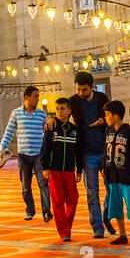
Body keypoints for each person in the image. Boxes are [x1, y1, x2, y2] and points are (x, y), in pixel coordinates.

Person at [45, 71, 113, 238]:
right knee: (92, 193)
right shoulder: (74, 101)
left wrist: (104, 121)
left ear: (92, 87)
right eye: (78, 89)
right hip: (86, 153)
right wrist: (51, 119)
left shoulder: (103, 99)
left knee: (112, 189)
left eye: (84, 90)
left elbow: (113, 117)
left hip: (105, 151)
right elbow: (62, 113)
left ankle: (106, 216)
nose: (81, 93)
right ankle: (97, 228)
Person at [0, 85, 51, 223]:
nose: (38, 100)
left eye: (38, 97)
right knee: (25, 187)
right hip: (23, 156)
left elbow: (47, 133)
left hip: (39, 155)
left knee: (43, 184)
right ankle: (30, 211)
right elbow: (9, 132)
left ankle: (46, 212)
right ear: (27, 98)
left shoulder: (41, 114)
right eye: (35, 97)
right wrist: (2, 147)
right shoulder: (16, 113)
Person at [102, 100, 130, 247]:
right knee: (116, 206)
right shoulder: (109, 131)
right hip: (113, 175)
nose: (105, 118)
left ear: (116, 116)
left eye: (107, 115)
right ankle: (122, 234)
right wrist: (103, 166)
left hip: (128, 176)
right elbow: (105, 150)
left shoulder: (128, 131)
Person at [42, 96, 82, 242]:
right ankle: (64, 232)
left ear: (69, 111)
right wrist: (45, 167)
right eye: (57, 109)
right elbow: (45, 149)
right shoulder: (51, 127)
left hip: (69, 170)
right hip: (54, 170)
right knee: (58, 202)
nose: (59, 111)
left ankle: (67, 227)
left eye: (63, 109)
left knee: (73, 200)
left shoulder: (74, 130)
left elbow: (78, 151)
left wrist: (80, 169)